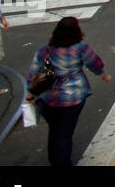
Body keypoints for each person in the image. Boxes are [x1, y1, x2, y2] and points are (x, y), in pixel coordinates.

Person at [25, 17, 110, 167]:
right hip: (72, 97)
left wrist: (30, 96)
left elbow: (32, 74)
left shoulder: (44, 50)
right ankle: (62, 162)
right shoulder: (80, 48)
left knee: (55, 129)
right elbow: (95, 63)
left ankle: (54, 160)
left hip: (47, 98)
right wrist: (103, 74)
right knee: (64, 134)